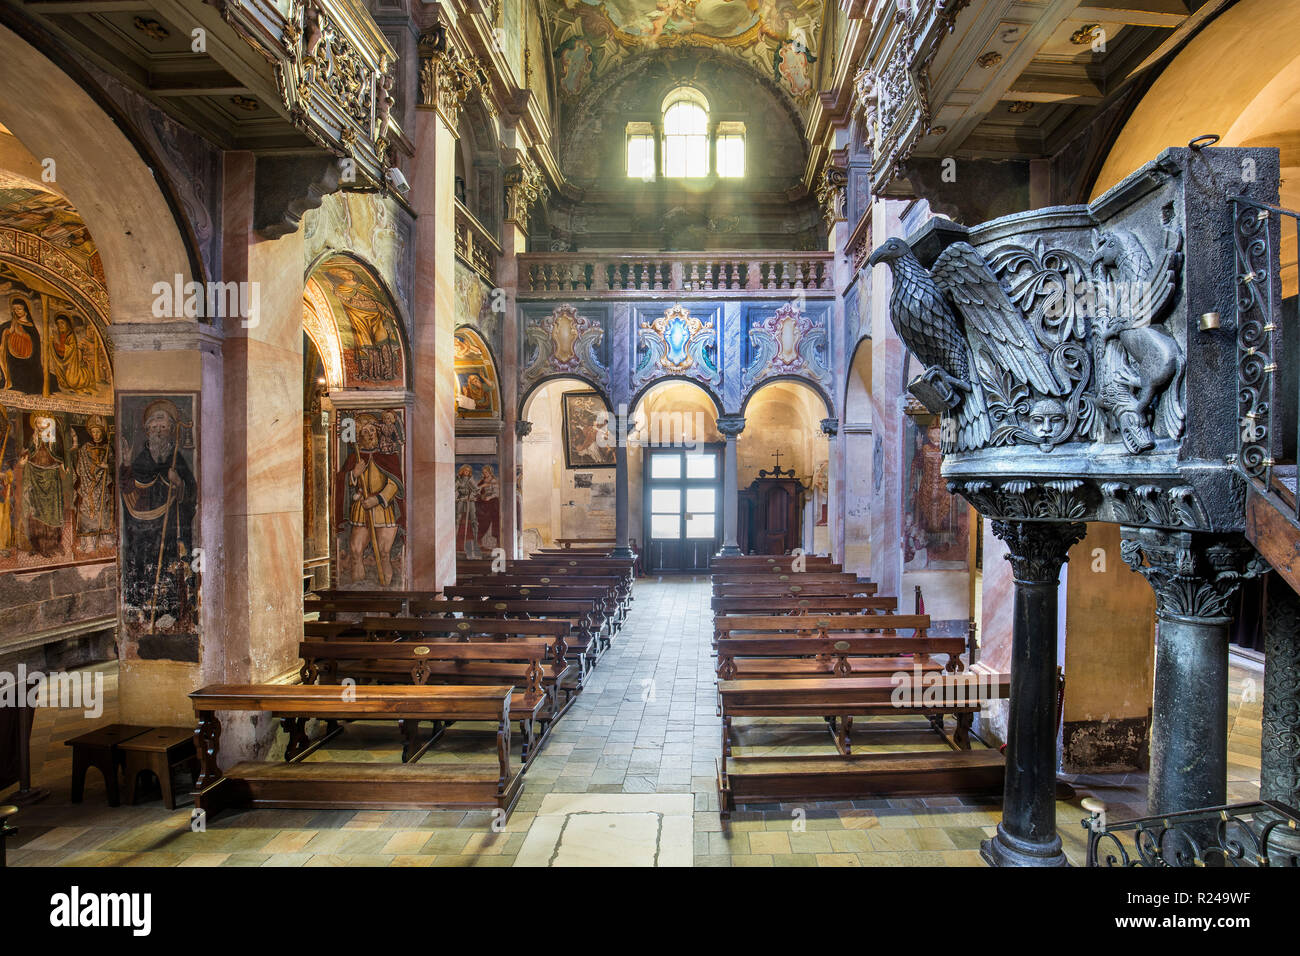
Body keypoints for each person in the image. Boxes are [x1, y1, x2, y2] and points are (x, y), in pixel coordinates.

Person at [121, 400, 196, 631]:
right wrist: (125, 465)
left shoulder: (176, 458)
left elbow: (190, 492)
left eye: (162, 426)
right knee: (142, 568)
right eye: (154, 426)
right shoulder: (141, 459)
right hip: (141, 531)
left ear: (171, 429)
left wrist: (179, 483)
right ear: (147, 430)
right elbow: (128, 487)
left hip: (170, 528)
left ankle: (171, 612)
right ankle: (142, 611)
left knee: (170, 568)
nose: (158, 429)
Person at [336, 413, 404, 585]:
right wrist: (353, 474)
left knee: (384, 553)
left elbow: (395, 483)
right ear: (359, 435)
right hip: (361, 508)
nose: (370, 434)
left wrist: (378, 499)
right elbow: (342, 481)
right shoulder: (355, 458)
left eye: (373, 430)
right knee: (356, 551)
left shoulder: (389, 457)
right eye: (365, 431)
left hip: (384, 508)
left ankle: (387, 590)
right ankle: (358, 591)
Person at [18, 412, 69, 557]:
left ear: (49, 424)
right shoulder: (32, 439)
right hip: (34, 476)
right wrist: (23, 461)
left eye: (44, 422)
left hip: (51, 478)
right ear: (35, 424)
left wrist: (64, 465)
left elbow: (60, 456)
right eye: (38, 423)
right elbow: (27, 455)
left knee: (53, 511)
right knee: (36, 512)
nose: (41, 426)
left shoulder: (54, 440)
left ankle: (53, 544)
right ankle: (38, 546)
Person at [73, 414, 114, 550]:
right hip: (87, 485)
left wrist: (108, 467)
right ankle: (89, 542)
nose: (95, 434)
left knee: (103, 510)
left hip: (103, 486)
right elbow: (81, 465)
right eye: (93, 432)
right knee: (86, 509)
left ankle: (104, 539)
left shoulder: (108, 448)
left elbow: (115, 465)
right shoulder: (85, 448)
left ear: (102, 432)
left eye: (98, 431)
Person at [0, 297, 48, 394]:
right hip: (11, 355)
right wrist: (7, 332)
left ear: (25, 309)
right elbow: (4, 332)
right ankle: (8, 382)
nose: (16, 311)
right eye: (14, 309)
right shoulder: (10, 323)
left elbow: (34, 345)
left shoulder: (31, 327)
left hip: (27, 358)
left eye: (19, 309)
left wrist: (21, 334)